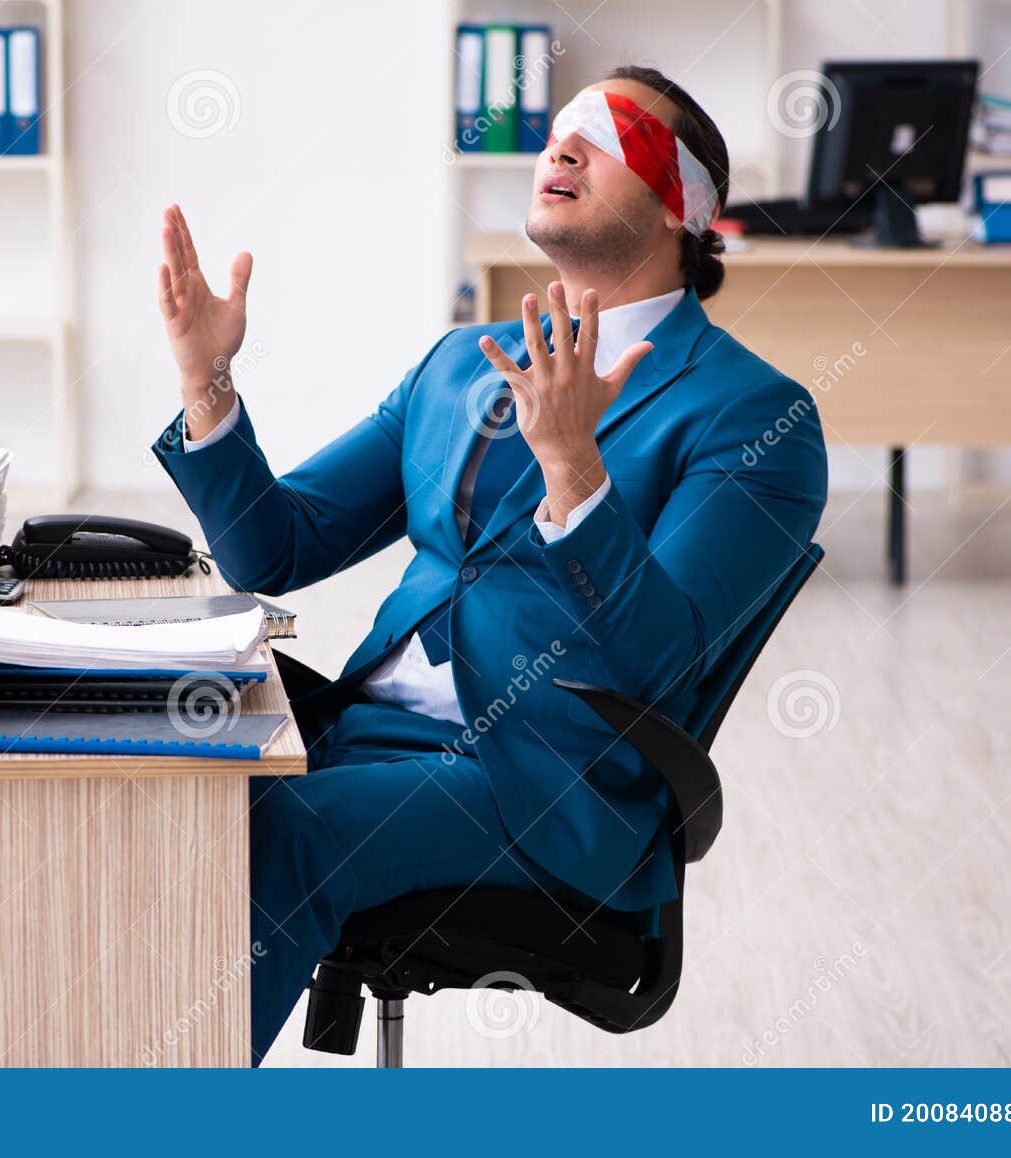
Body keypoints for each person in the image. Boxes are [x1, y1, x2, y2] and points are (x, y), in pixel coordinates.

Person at [151, 65, 828, 1063]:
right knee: (138, 776)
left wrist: (572, 469)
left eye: (606, 136)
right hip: (362, 734)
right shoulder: (459, 363)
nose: (560, 147)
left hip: (545, 786)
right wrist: (207, 380)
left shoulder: (756, 415)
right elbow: (274, 547)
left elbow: (659, 657)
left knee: (277, 831)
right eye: (557, 132)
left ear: (684, 204)